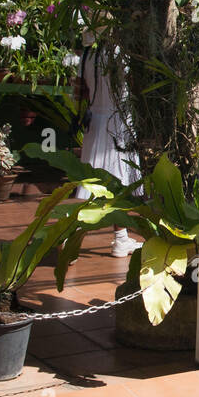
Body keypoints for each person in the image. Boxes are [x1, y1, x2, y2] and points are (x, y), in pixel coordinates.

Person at [76, 34, 141, 257]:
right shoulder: (120, 54)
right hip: (119, 120)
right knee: (118, 181)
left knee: (93, 180)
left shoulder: (88, 53)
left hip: (95, 121)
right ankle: (72, 236)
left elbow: (81, 89)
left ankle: (119, 238)